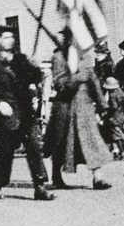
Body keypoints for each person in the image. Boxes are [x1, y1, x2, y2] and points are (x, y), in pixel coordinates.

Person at [0, 23, 54, 201]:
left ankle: (40, 187)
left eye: (11, 37)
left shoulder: (21, 59)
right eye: (5, 37)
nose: (9, 41)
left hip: (25, 110)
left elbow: (34, 77)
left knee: (35, 147)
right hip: (7, 110)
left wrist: (35, 68)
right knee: (5, 150)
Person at [44, 37, 112, 190]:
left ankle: (98, 177)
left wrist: (102, 104)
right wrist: (78, 77)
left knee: (91, 141)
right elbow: (59, 83)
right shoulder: (58, 57)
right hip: (65, 107)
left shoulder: (86, 57)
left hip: (85, 106)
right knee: (61, 143)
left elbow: (94, 81)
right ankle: (56, 176)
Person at [100, 76, 124, 160]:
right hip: (122, 117)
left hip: (114, 119)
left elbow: (113, 107)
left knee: (118, 138)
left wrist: (107, 114)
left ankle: (122, 153)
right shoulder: (121, 92)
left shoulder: (112, 95)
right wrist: (121, 108)